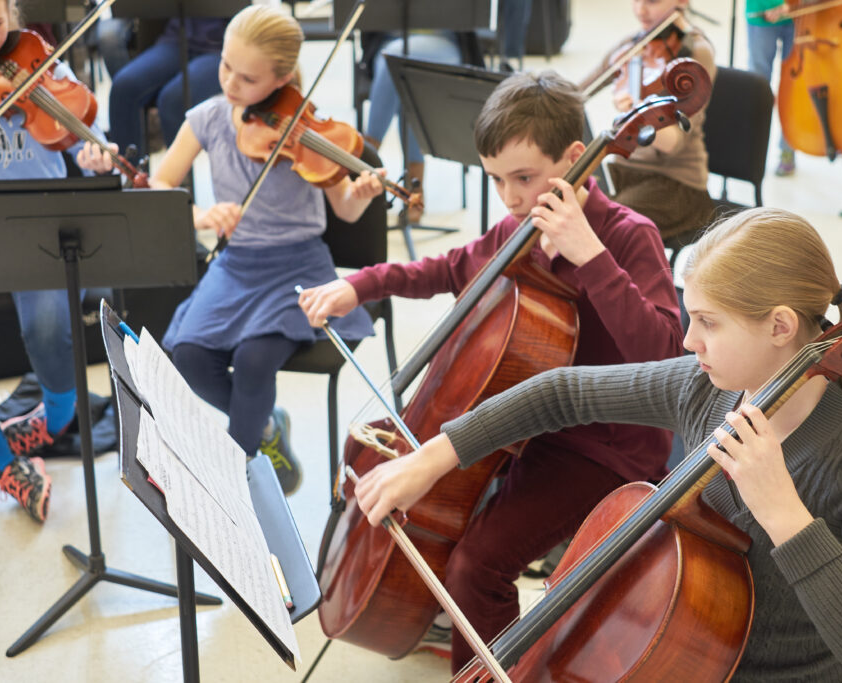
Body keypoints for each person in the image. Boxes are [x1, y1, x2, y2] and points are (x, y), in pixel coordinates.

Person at [355, 207, 842, 680]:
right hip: (688, 655)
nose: (687, 338)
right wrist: (433, 458)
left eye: (708, 322)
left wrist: (785, 515)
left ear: (780, 327)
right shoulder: (707, 391)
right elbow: (560, 393)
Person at [299, 70, 685, 669]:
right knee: (439, 512)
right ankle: (468, 633)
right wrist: (360, 285)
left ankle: (491, 668)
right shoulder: (519, 229)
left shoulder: (630, 236)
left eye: (524, 178)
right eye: (497, 179)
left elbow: (666, 355)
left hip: (606, 449)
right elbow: (451, 268)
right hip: (526, 430)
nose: (509, 196)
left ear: (575, 159)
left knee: (477, 566)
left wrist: (590, 256)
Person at [80, 5, 385, 495]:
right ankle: (264, 425)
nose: (230, 83)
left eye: (248, 78)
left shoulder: (306, 128)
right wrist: (199, 215)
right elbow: (160, 184)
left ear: (283, 78)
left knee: (254, 360)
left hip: (300, 265)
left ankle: (236, 479)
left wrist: (361, 196)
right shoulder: (207, 118)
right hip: (238, 264)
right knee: (189, 357)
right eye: (225, 66)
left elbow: (345, 211)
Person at [0, 0, 94, 522]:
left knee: (46, 330)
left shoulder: (43, 64)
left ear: (14, 17)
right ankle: (1, 460)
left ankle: (56, 418)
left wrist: (94, 154)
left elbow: (87, 139)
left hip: (41, 216)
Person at [578, 0, 717, 245]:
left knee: (602, 231)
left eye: (652, 1)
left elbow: (674, 144)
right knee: (568, 205)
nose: (641, 9)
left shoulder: (696, 52)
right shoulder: (633, 44)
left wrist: (637, 111)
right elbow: (579, 91)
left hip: (676, 185)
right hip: (624, 173)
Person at [360, 30, 463, 223]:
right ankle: (414, 190)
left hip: (441, 38)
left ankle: (366, 157)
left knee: (395, 59)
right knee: (399, 73)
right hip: (391, 36)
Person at [107, 17, 229, 156]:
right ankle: (128, 174)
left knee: (173, 100)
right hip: (176, 38)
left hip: (220, 47)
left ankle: (177, 176)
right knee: (123, 87)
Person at [746, 0, 796, 175]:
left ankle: (788, 148)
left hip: (801, 15)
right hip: (761, 10)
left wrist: (791, 3)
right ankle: (752, 151)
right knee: (758, 87)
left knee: (794, 86)